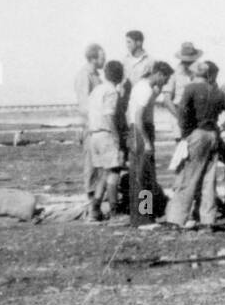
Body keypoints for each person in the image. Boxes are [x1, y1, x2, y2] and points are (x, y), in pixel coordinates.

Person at [164, 61, 225, 229]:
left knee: (189, 177)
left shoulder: (190, 88)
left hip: (197, 134)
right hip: (213, 135)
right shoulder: (217, 92)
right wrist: (223, 127)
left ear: (196, 73)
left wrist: (186, 135)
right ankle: (207, 222)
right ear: (209, 75)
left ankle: (176, 220)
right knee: (208, 180)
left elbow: (183, 115)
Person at [127, 61, 173, 226]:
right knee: (144, 176)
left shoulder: (143, 86)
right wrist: (147, 142)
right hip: (140, 131)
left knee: (139, 175)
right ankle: (144, 218)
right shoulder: (145, 90)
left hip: (136, 131)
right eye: (165, 79)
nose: (166, 82)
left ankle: (139, 217)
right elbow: (138, 118)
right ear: (159, 74)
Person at [85, 60, 126, 221]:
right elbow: (109, 116)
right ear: (119, 75)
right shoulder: (111, 91)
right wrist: (117, 139)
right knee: (114, 171)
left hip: (94, 135)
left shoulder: (97, 90)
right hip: (105, 134)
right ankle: (115, 212)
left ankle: (95, 209)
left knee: (103, 173)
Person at [74, 44, 106, 201]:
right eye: (102, 56)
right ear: (93, 58)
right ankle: (91, 195)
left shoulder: (96, 76)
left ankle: (96, 196)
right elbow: (84, 105)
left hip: (96, 125)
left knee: (97, 161)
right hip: (90, 125)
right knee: (91, 162)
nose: (104, 59)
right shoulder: (84, 75)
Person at [161, 41, 203, 124]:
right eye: (186, 61)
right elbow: (167, 100)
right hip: (179, 112)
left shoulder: (202, 73)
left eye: (192, 60)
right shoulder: (174, 74)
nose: (189, 63)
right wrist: (179, 118)